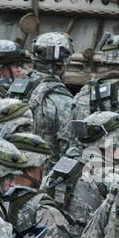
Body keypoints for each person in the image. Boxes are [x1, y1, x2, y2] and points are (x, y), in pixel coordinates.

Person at [17, 32, 78, 164]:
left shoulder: (18, 88)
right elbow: (69, 148)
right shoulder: (63, 99)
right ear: (62, 65)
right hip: (44, 176)